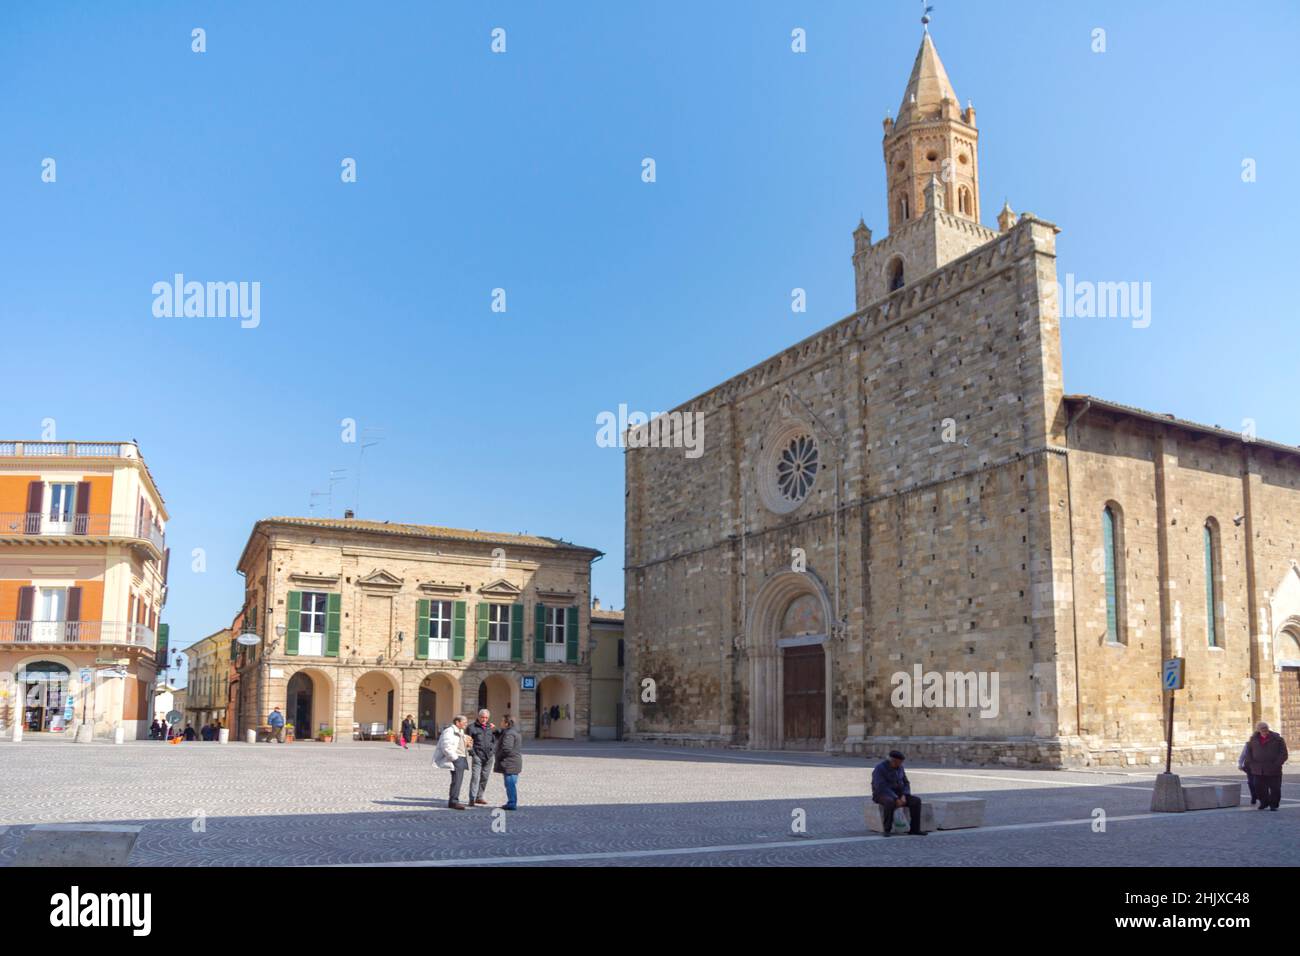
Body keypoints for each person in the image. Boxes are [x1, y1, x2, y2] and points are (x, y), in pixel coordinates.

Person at [871, 750, 926, 836]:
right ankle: (887, 830)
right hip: (882, 794)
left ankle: (915, 829)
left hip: (899, 794)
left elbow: (906, 782)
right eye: (898, 762)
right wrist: (896, 798)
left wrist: (904, 795)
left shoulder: (900, 768)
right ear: (892, 761)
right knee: (890, 802)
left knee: (916, 801)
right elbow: (881, 786)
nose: (900, 765)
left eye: (901, 763)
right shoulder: (880, 768)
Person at [1244, 721, 1288, 811]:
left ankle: (1273, 805)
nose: (1264, 730)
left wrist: (1277, 764)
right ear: (1258, 730)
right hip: (1258, 769)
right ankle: (1264, 802)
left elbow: (1283, 753)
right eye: (1262, 728)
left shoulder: (1278, 739)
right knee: (1258, 787)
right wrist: (1251, 764)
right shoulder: (1253, 740)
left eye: (1265, 727)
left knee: (1275, 788)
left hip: (1273, 768)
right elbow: (1248, 753)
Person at [434, 715, 471, 809]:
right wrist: (455, 758)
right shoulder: (449, 731)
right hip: (456, 758)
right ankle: (453, 801)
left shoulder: (461, 731)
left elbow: (460, 744)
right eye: (464, 722)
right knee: (456, 780)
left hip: (462, 757)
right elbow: (446, 746)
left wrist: (468, 745)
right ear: (457, 723)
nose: (466, 724)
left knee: (458, 780)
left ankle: (454, 800)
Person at [466, 709, 499, 806]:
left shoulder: (491, 727)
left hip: (489, 756)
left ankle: (479, 797)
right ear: (478, 717)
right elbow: (467, 741)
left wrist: (492, 751)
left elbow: (495, 740)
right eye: (482, 717)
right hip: (477, 756)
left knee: (485, 777)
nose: (484, 719)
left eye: (486, 718)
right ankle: (472, 798)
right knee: (475, 777)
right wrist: (472, 753)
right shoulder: (471, 727)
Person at [493, 714, 523, 810]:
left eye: (502, 721)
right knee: (510, 784)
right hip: (514, 762)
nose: (500, 723)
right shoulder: (512, 732)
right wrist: (495, 730)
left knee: (510, 784)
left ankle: (512, 803)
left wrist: (498, 755)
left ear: (506, 723)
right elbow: (501, 735)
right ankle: (512, 802)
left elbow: (506, 749)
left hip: (510, 763)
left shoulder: (509, 734)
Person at [1238, 738, 1257, 805]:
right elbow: (1243, 755)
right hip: (1249, 766)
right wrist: (1240, 764)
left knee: (1259, 783)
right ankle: (1253, 796)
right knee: (1251, 782)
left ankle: (1260, 796)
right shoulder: (1248, 744)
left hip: (1260, 766)